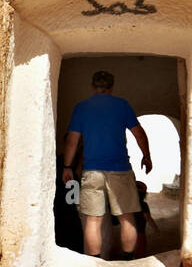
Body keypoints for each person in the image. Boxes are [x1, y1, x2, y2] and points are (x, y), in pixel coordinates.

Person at [62, 70, 153, 257]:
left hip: (92, 171)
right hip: (120, 169)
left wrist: (67, 166)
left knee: (93, 220)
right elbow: (139, 133)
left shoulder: (81, 108)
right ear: (111, 88)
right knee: (126, 216)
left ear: (92, 87)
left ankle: (94, 265)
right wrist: (146, 156)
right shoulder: (122, 105)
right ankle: (128, 261)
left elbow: (72, 140)